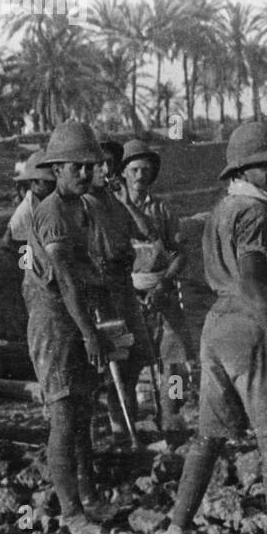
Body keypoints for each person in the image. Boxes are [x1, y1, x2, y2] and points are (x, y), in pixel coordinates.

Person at [161, 120, 267, 534]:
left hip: (218, 325)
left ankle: (176, 529)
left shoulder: (223, 209)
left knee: (209, 435)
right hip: (252, 323)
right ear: (245, 172)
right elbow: (253, 283)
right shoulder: (257, 214)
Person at [23, 121, 111, 532]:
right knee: (63, 413)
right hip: (54, 320)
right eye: (76, 167)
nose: (84, 174)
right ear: (56, 169)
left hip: (76, 315)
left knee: (82, 411)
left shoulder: (85, 208)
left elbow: (88, 269)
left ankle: (89, 496)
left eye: (89, 166)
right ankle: (71, 512)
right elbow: (66, 278)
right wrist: (91, 333)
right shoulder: (52, 213)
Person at [120, 138, 194, 432]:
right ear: (123, 173)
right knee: (128, 366)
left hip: (161, 291)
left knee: (173, 363)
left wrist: (164, 283)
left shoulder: (162, 209)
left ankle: (171, 417)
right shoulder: (113, 211)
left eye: (146, 171)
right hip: (127, 295)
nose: (140, 177)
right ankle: (127, 429)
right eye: (135, 170)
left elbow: (180, 254)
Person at [87, 141, 157, 448]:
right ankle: (94, 438)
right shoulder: (82, 204)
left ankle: (124, 429)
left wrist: (125, 201)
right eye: (100, 164)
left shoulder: (114, 201)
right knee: (100, 367)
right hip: (98, 287)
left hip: (123, 285)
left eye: (110, 165)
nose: (106, 170)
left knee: (132, 360)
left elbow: (145, 232)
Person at [4, 150, 55, 250]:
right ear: (36, 182)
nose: (53, 186)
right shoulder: (26, 210)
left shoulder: (43, 203)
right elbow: (9, 238)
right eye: (49, 183)